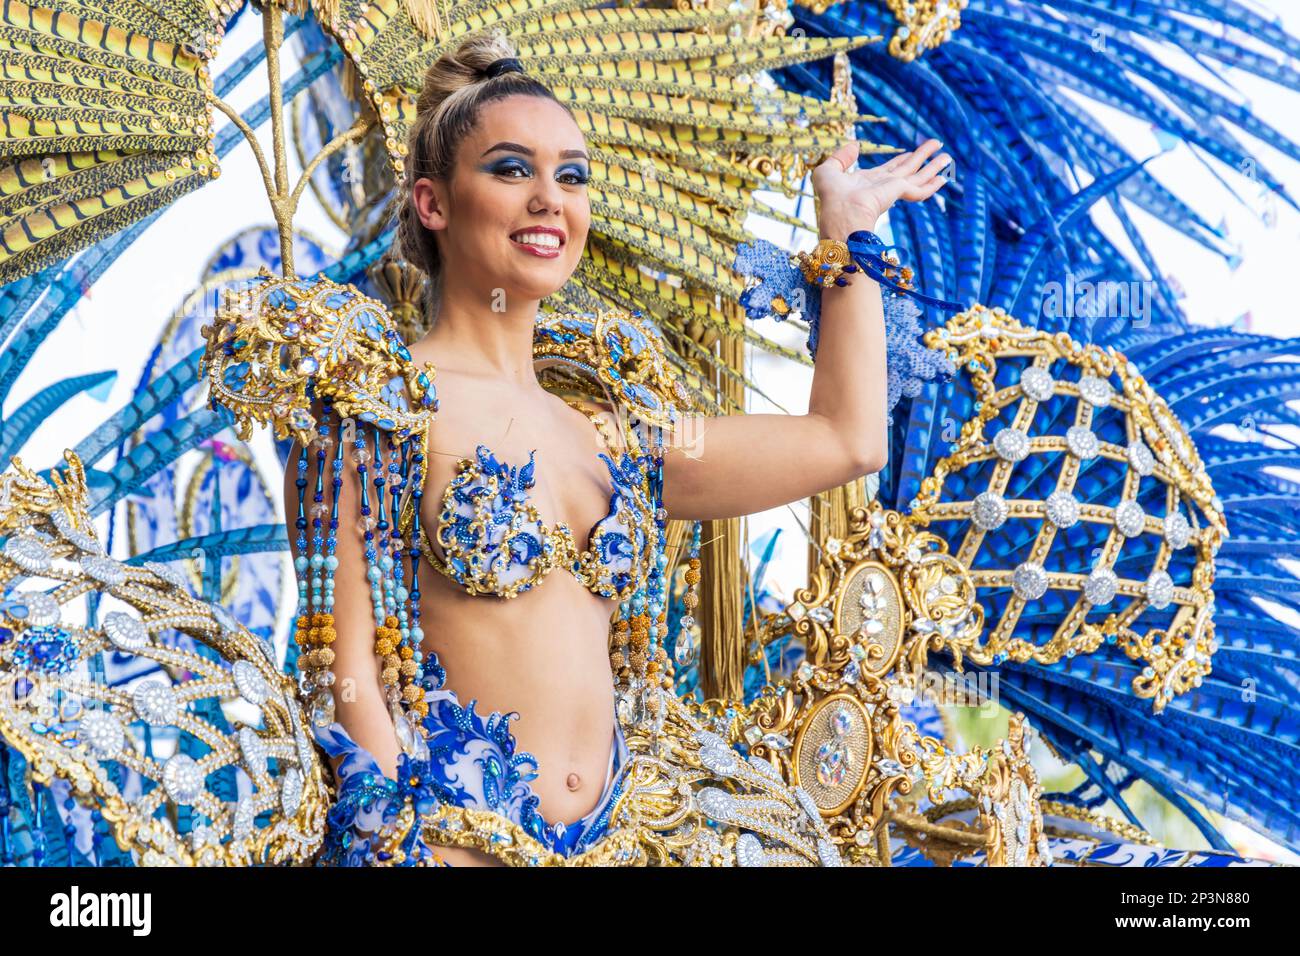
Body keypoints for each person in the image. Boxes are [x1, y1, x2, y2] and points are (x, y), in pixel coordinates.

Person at [285, 30, 950, 866]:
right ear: (433, 202)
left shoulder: (613, 436)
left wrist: (848, 234)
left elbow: (845, 441)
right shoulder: (379, 406)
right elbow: (350, 686)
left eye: (571, 175)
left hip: (625, 842)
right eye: (510, 168)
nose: (548, 198)